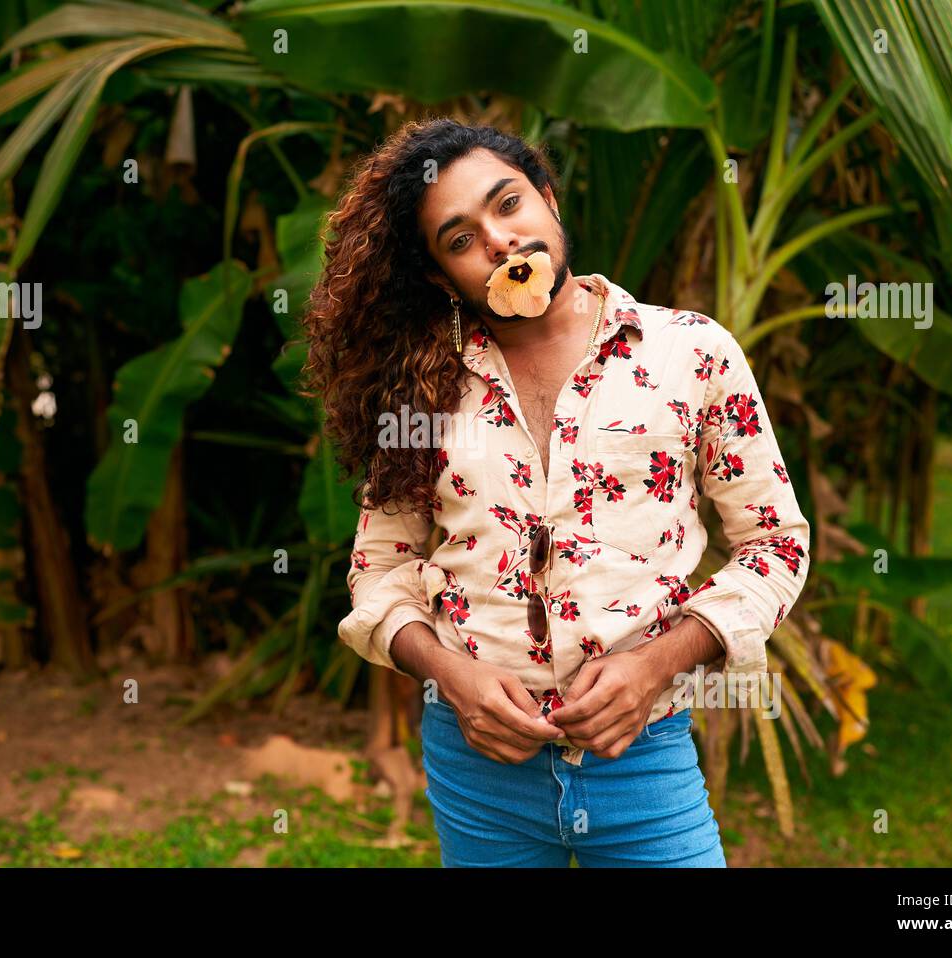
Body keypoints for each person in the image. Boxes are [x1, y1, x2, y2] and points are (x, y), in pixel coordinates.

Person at [302, 117, 811, 867]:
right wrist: (453, 676)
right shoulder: (419, 390)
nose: (499, 241)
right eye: (461, 238)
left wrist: (657, 665)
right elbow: (377, 571)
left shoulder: (691, 354)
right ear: (445, 278)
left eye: (508, 205)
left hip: (645, 755)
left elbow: (775, 544)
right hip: (475, 766)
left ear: (548, 200)